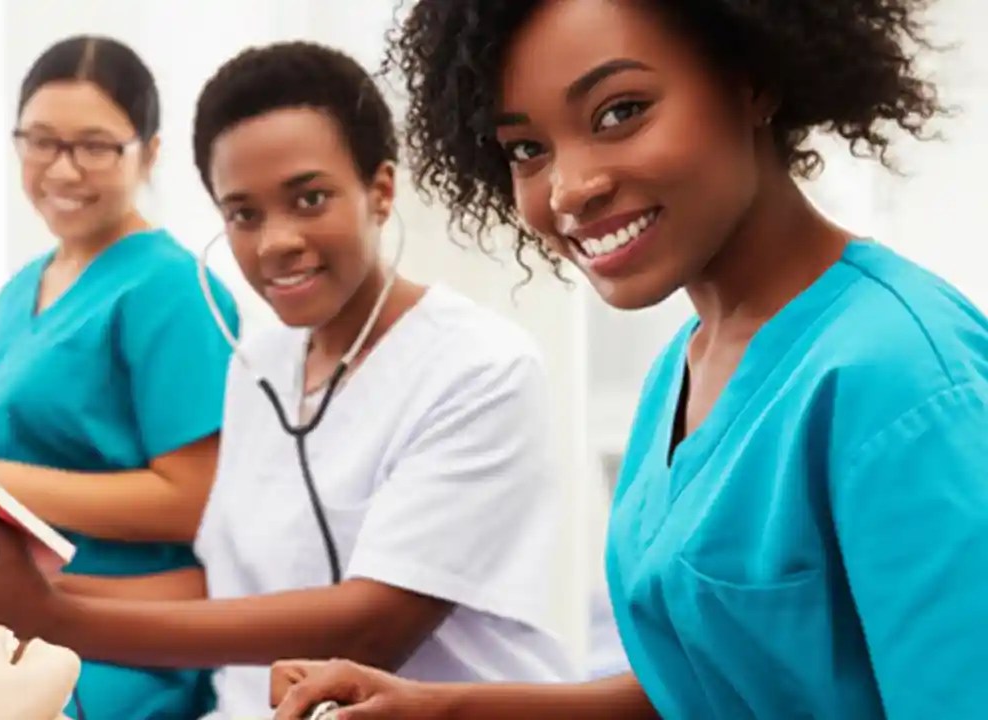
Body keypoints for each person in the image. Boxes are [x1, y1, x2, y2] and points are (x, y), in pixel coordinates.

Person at [267, 0, 988, 718]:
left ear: (753, 78)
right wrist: (437, 708)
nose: (570, 188)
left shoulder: (903, 382)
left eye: (620, 112)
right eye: (526, 149)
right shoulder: (682, 368)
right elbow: (711, 685)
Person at [0, 41, 607, 720]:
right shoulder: (262, 364)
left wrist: (56, 618)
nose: (276, 241)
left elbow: (372, 625)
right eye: (243, 214)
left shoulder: (480, 369)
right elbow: (219, 589)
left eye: (309, 198)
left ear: (380, 191)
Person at [0, 34, 237, 720]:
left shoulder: (172, 289)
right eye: (40, 141)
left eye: (95, 146)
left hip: (120, 640)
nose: (63, 169)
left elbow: (190, 499)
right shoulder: (22, 289)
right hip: (0, 620)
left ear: (150, 152)